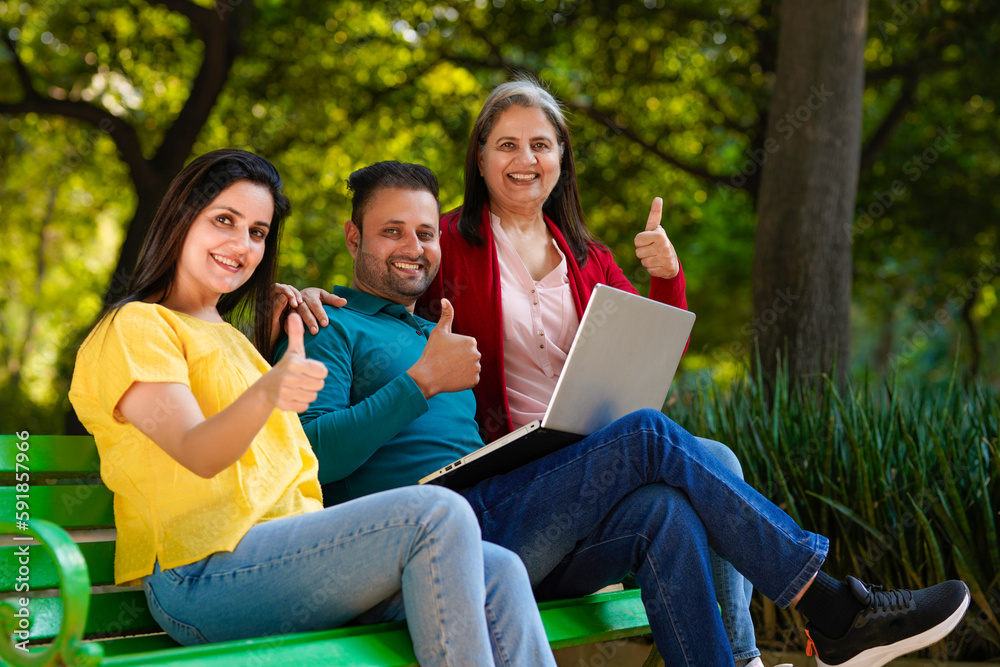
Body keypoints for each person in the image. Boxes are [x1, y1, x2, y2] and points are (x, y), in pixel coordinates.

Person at [282, 159, 970, 667]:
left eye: (426, 232)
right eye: (390, 231)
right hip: (423, 539)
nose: (412, 247)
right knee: (642, 435)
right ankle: (832, 605)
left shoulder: (441, 323)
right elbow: (316, 454)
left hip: (504, 522)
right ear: (352, 237)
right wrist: (420, 382)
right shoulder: (327, 325)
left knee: (663, 513)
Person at [302, 77, 762, 664]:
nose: (526, 159)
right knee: (683, 477)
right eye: (507, 145)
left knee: (708, 468)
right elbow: (383, 289)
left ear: (562, 158)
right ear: (481, 157)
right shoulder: (446, 239)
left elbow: (652, 349)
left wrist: (667, 278)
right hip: (510, 471)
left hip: (592, 453)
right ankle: (814, 608)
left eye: (541, 145)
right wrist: (298, 295)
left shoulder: (587, 254)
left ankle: (744, 657)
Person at [68, 149, 557, 667]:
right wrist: (273, 385)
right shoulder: (137, 327)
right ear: (181, 218)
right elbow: (196, 451)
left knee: (497, 571)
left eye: (257, 232)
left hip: (287, 559)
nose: (241, 244)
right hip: (201, 574)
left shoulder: (238, 343)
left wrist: (273, 341)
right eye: (224, 220)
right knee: (435, 514)